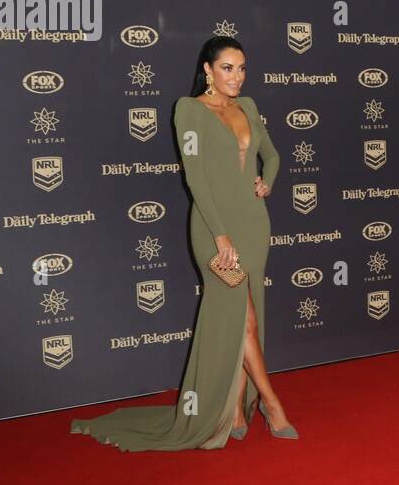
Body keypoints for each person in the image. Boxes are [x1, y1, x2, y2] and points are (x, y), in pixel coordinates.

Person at [71, 35, 297, 450]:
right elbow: (195, 178)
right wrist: (220, 235)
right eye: (227, 67)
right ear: (207, 70)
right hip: (216, 230)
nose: (237, 76)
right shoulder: (188, 110)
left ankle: (233, 410)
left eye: (242, 67)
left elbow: (274, 155)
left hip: (253, 224)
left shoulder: (248, 107)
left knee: (250, 319)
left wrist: (268, 184)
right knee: (238, 317)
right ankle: (271, 403)